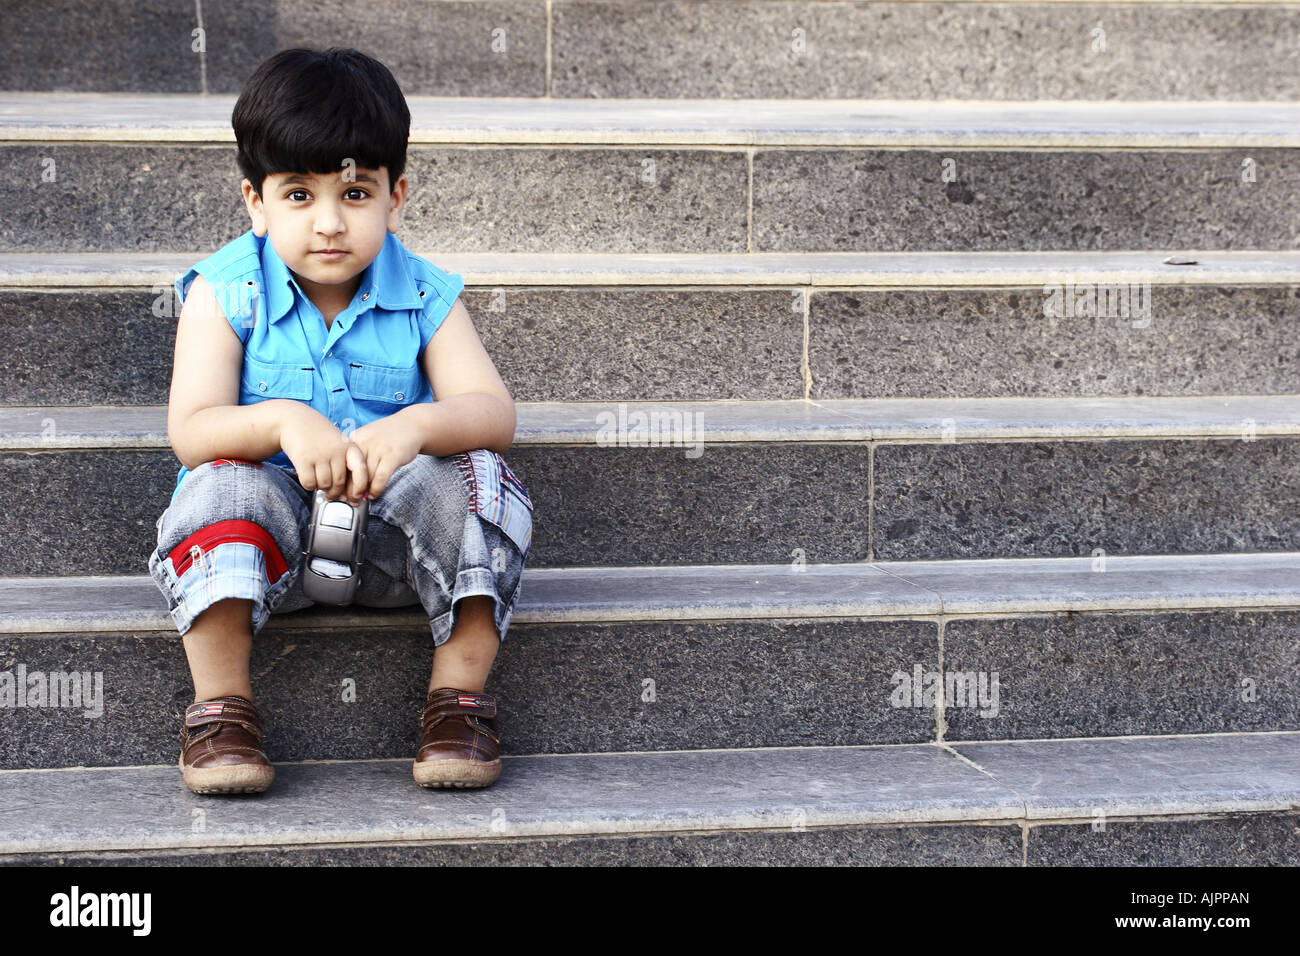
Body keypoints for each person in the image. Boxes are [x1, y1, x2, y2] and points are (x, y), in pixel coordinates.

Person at [147, 47, 532, 795]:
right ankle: (221, 710)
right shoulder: (223, 293)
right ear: (254, 201)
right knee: (217, 483)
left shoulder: (424, 294)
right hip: (270, 559)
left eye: (355, 193)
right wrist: (283, 421)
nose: (329, 223)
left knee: (482, 475)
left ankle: (458, 703)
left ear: (397, 195)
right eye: (298, 195)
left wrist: (417, 427)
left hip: (397, 556)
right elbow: (191, 428)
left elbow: (494, 412)